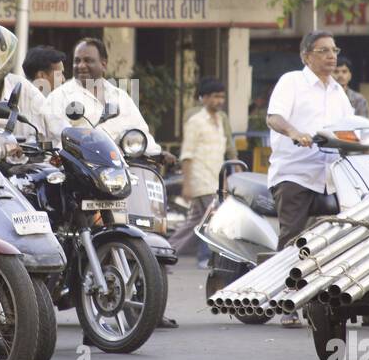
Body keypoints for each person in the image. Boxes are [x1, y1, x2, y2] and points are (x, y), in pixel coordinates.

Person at [265, 31, 353, 256]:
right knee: (291, 244)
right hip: (296, 174)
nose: (331, 56)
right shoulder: (292, 81)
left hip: (332, 178)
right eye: (323, 50)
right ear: (306, 57)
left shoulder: (338, 92)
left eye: (334, 50)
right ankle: (279, 286)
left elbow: (351, 127)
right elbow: (273, 117)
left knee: (343, 239)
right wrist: (294, 132)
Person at [42, 38, 164, 157]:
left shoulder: (120, 96)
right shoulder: (58, 97)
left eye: (88, 60)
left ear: (104, 65)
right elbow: (66, 137)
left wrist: (158, 153)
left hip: (121, 170)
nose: (81, 66)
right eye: (77, 61)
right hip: (77, 171)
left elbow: (140, 132)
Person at [169, 77, 236, 267]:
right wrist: (188, 185)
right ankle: (209, 259)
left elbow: (222, 154)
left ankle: (162, 254)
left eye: (222, 97)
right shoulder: (195, 122)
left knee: (196, 224)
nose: (219, 101)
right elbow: (187, 155)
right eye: (215, 96)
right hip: (201, 181)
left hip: (215, 181)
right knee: (212, 221)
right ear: (204, 98)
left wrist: (224, 181)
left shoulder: (221, 121)